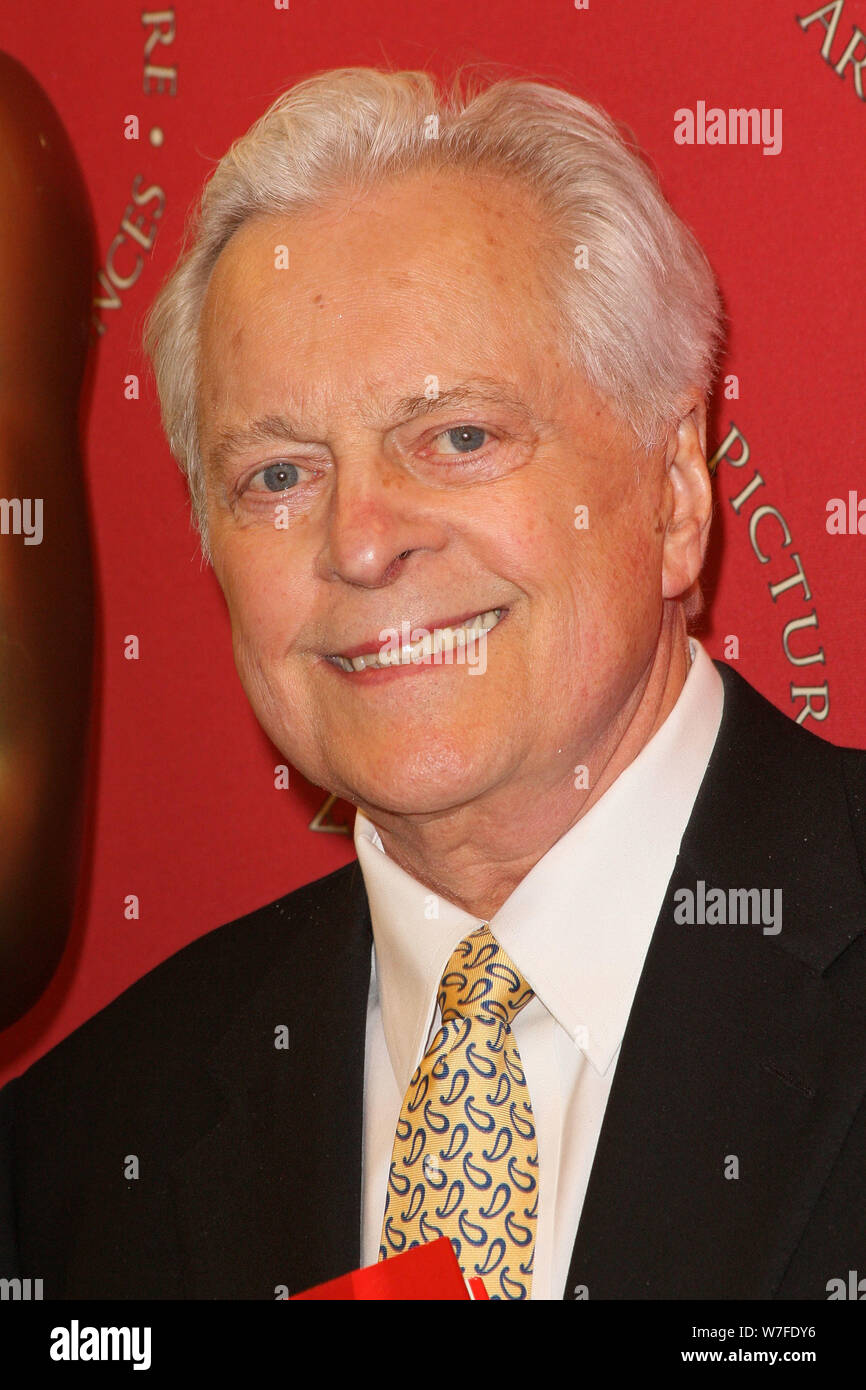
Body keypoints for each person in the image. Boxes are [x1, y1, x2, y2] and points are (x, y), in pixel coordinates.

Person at [1, 67, 864, 1302]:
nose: (359, 542)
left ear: (673, 491)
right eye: (279, 476)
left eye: (456, 437)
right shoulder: (74, 1160)